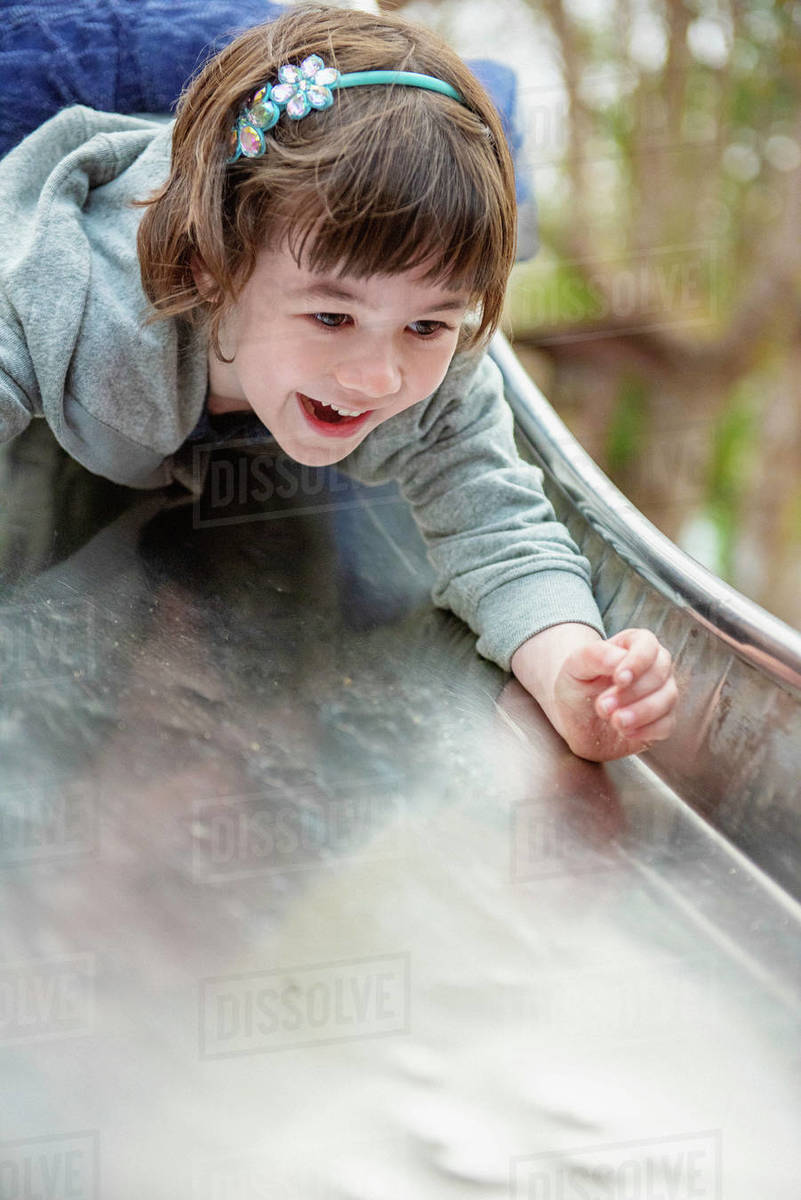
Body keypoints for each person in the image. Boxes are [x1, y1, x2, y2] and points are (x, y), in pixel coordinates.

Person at [0, 3, 677, 761]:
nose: (376, 376)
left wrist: (568, 669)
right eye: (330, 317)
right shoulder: (64, 296)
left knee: (485, 163)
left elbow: (498, 527)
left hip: (296, 164)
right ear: (208, 269)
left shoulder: (438, 367)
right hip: (75, 85)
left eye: (426, 324)